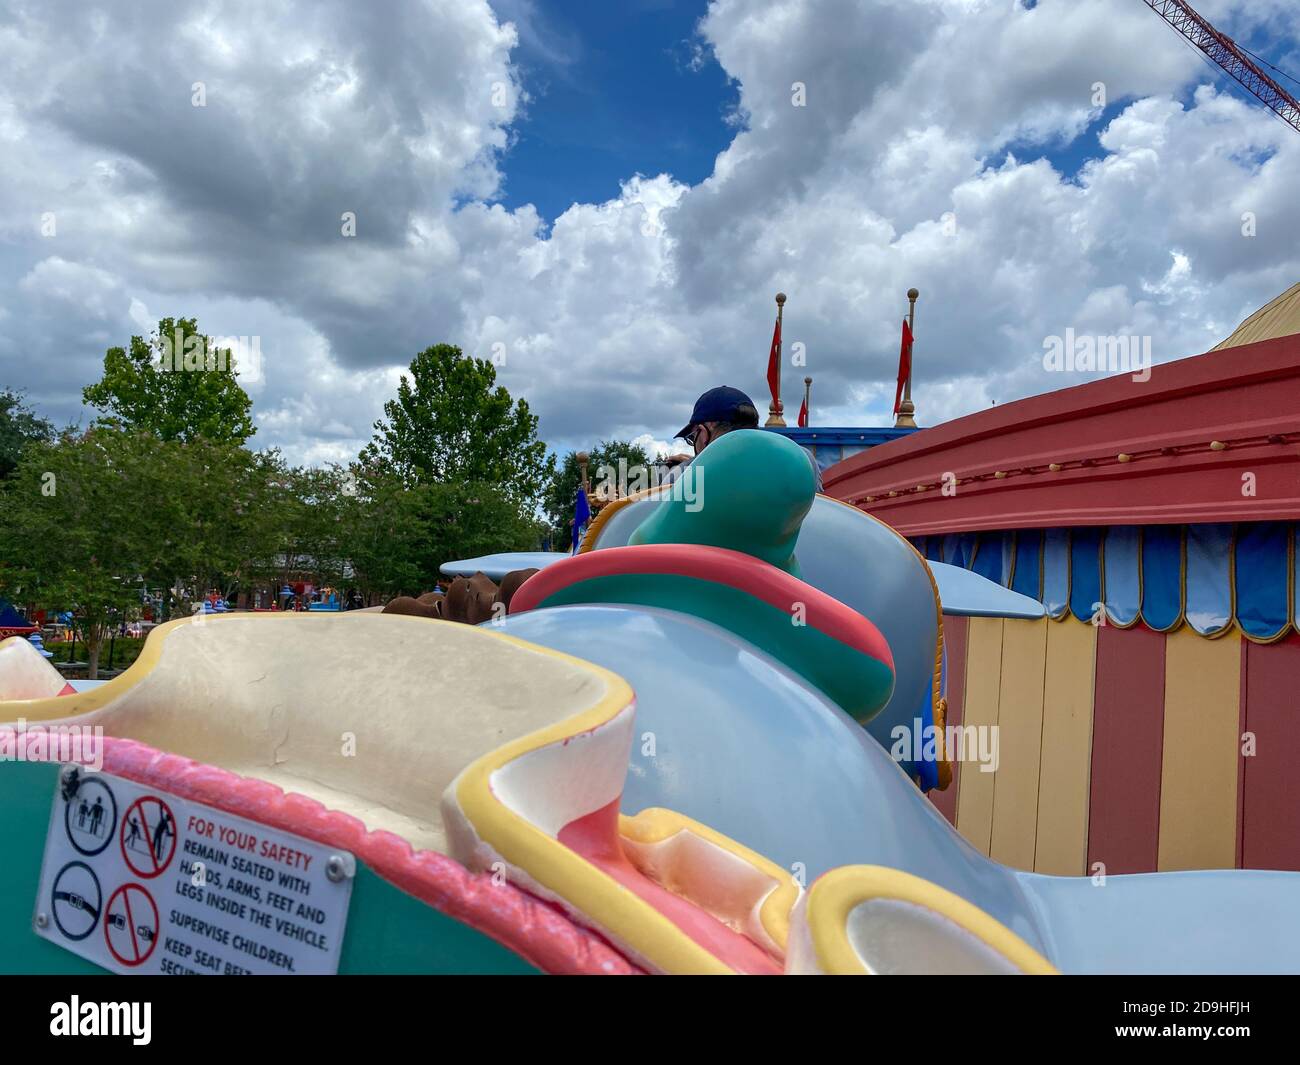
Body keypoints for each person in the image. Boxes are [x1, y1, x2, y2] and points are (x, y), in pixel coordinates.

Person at [668, 385, 823, 491]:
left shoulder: (685, 475)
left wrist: (677, 472)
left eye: (692, 438)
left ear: (703, 433)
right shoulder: (804, 460)